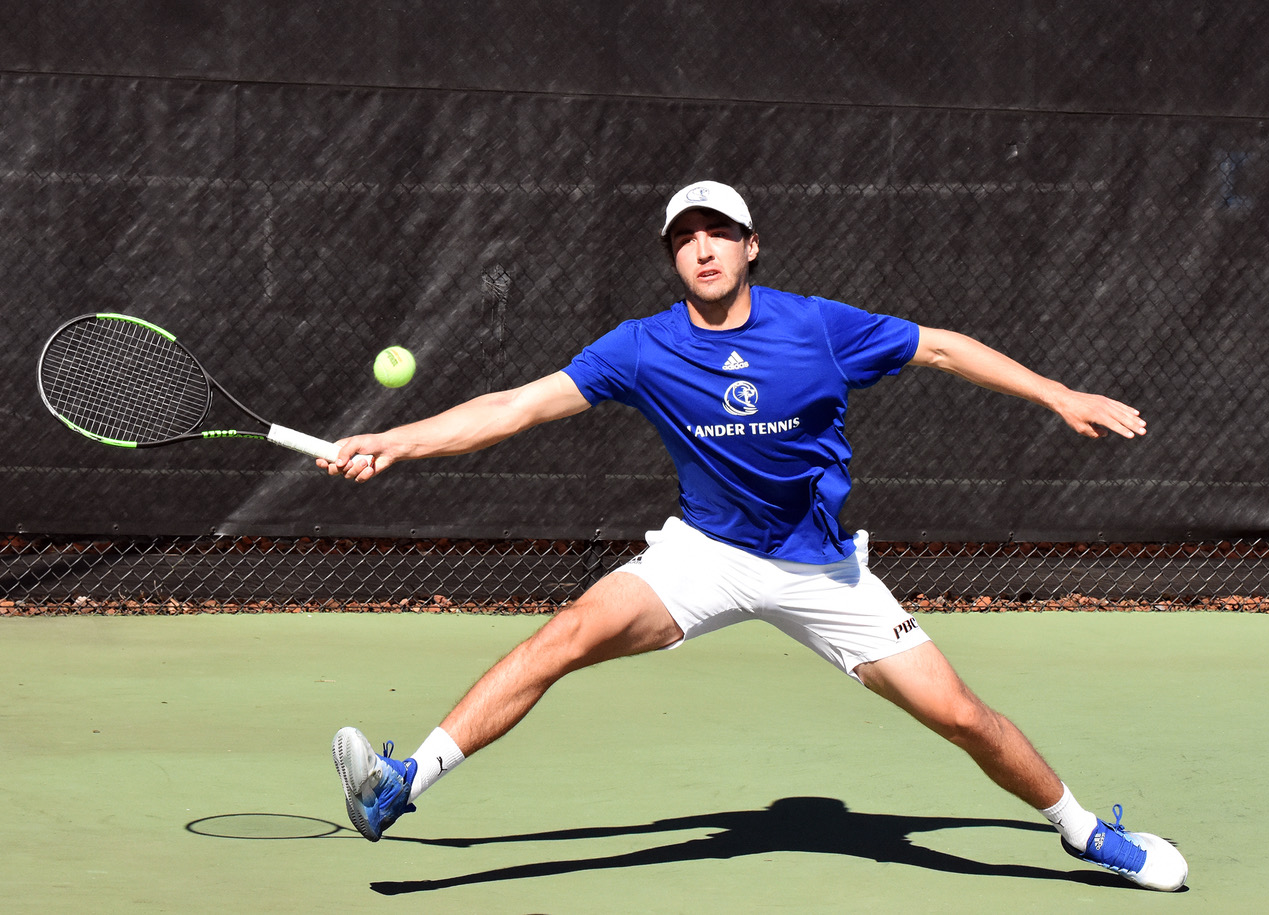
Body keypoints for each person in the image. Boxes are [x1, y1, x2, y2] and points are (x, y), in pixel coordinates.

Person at [319, 181, 1187, 891]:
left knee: (961, 715)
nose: (702, 248)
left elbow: (945, 350)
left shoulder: (813, 326)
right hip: (704, 556)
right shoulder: (642, 348)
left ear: (749, 246)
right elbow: (514, 407)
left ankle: (1080, 831)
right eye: (685, 237)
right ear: (672, 256)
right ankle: (401, 787)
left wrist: (1055, 394)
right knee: (563, 638)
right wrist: (396, 439)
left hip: (821, 572)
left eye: (719, 233)